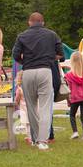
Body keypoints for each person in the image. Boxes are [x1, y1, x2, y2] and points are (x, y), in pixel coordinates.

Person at [11, 12, 63, 150]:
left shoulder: (22, 36)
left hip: (27, 72)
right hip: (45, 71)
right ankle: (42, 141)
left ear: (29, 22)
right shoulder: (52, 35)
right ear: (43, 22)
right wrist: (49, 59)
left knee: (31, 106)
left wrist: (26, 61)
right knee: (45, 107)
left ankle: (34, 138)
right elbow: (61, 54)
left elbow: (16, 55)